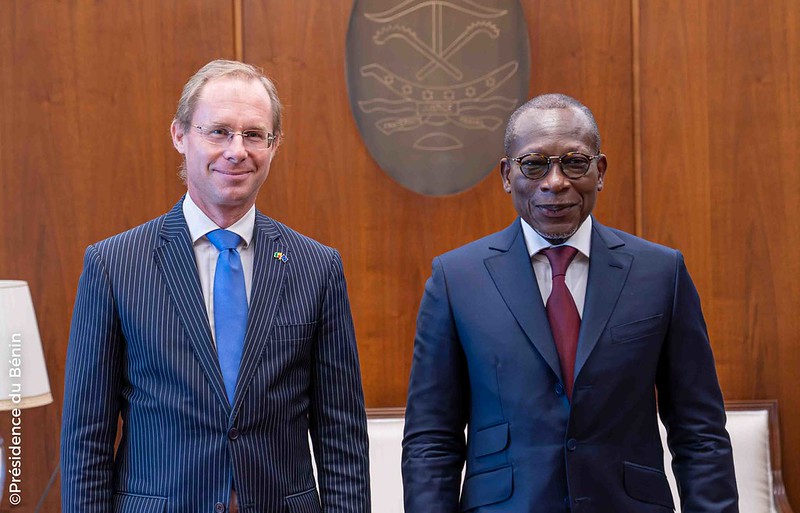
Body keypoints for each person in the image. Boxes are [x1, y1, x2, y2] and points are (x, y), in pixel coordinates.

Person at [402, 93, 738, 512]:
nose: (555, 182)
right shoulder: (456, 280)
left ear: (599, 171)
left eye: (575, 162)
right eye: (534, 164)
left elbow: (699, 431)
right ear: (507, 174)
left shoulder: (660, 273)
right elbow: (432, 438)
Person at [61, 60, 370, 513]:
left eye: (254, 135)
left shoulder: (315, 267)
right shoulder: (115, 265)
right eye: (219, 132)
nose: (237, 150)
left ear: (274, 145)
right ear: (179, 136)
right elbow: (86, 439)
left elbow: (341, 435)